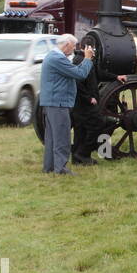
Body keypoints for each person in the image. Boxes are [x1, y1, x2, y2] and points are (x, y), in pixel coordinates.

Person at [40, 34, 94, 175]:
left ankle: (49, 167)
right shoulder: (57, 59)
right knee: (62, 137)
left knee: (52, 138)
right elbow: (80, 73)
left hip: (52, 102)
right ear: (67, 45)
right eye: (74, 46)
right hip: (58, 103)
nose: (74, 49)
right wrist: (87, 58)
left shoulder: (52, 56)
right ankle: (61, 168)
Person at [70, 42, 107, 166]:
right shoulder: (80, 60)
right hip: (83, 104)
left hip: (80, 104)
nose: (93, 51)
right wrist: (89, 98)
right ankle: (83, 153)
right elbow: (77, 82)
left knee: (80, 130)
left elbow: (98, 74)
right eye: (92, 48)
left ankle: (77, 158)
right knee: (98, 124)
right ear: (85, 48)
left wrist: (116, 77)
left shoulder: (84, 60)